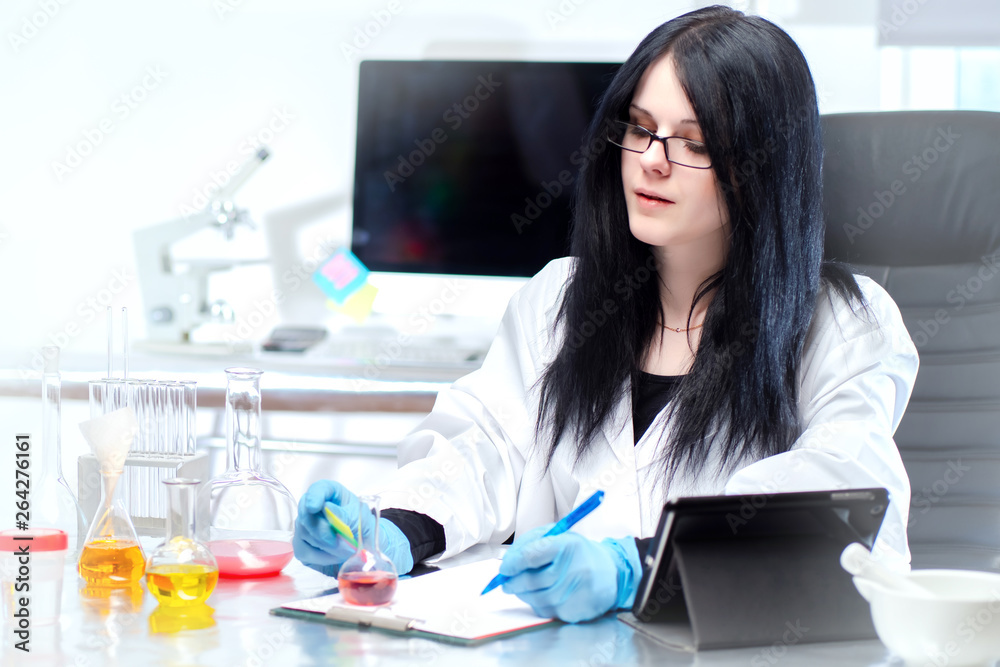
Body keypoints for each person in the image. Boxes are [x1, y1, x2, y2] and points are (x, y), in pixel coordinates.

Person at [293, 5, 919, 624]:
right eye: (641, 128)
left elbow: (837, 509)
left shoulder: (842, 324)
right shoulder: (559, 299)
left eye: (693, 141)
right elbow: (487, 449)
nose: (651, 158)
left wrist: (638, 569)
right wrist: (391, 531)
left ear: (764, 168)